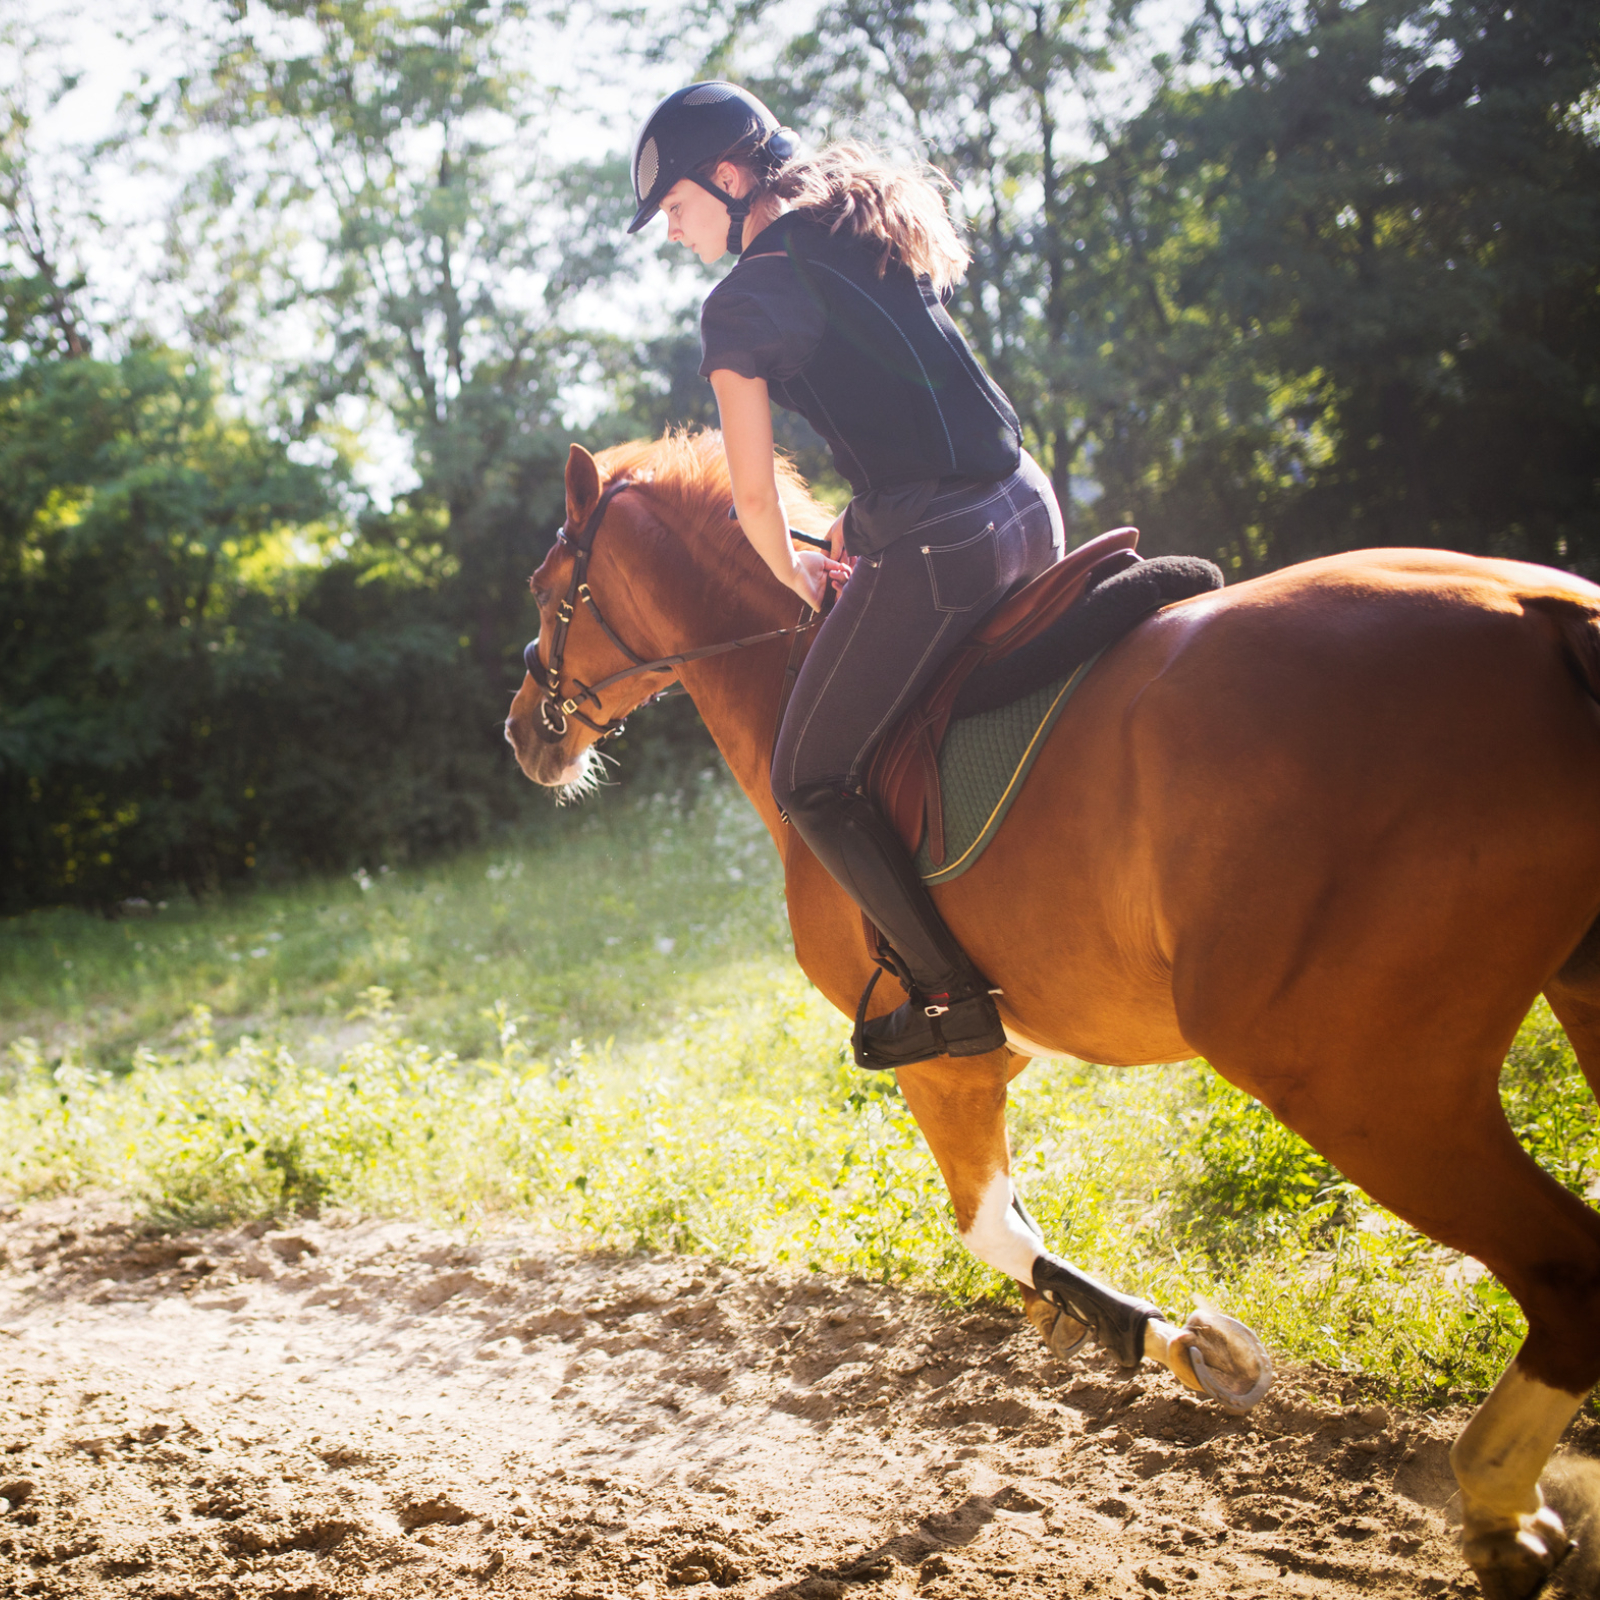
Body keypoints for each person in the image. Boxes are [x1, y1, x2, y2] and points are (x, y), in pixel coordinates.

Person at [627, 82, 1064, 1066]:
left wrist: (799, 578)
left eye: (676, 209)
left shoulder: (740, 301)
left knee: (809, 776)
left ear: (729, 179)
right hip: (1027, 505)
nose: (672, 233)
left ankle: (951, 996)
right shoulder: (864, 225)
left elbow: (752, 503)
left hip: (947, 546)